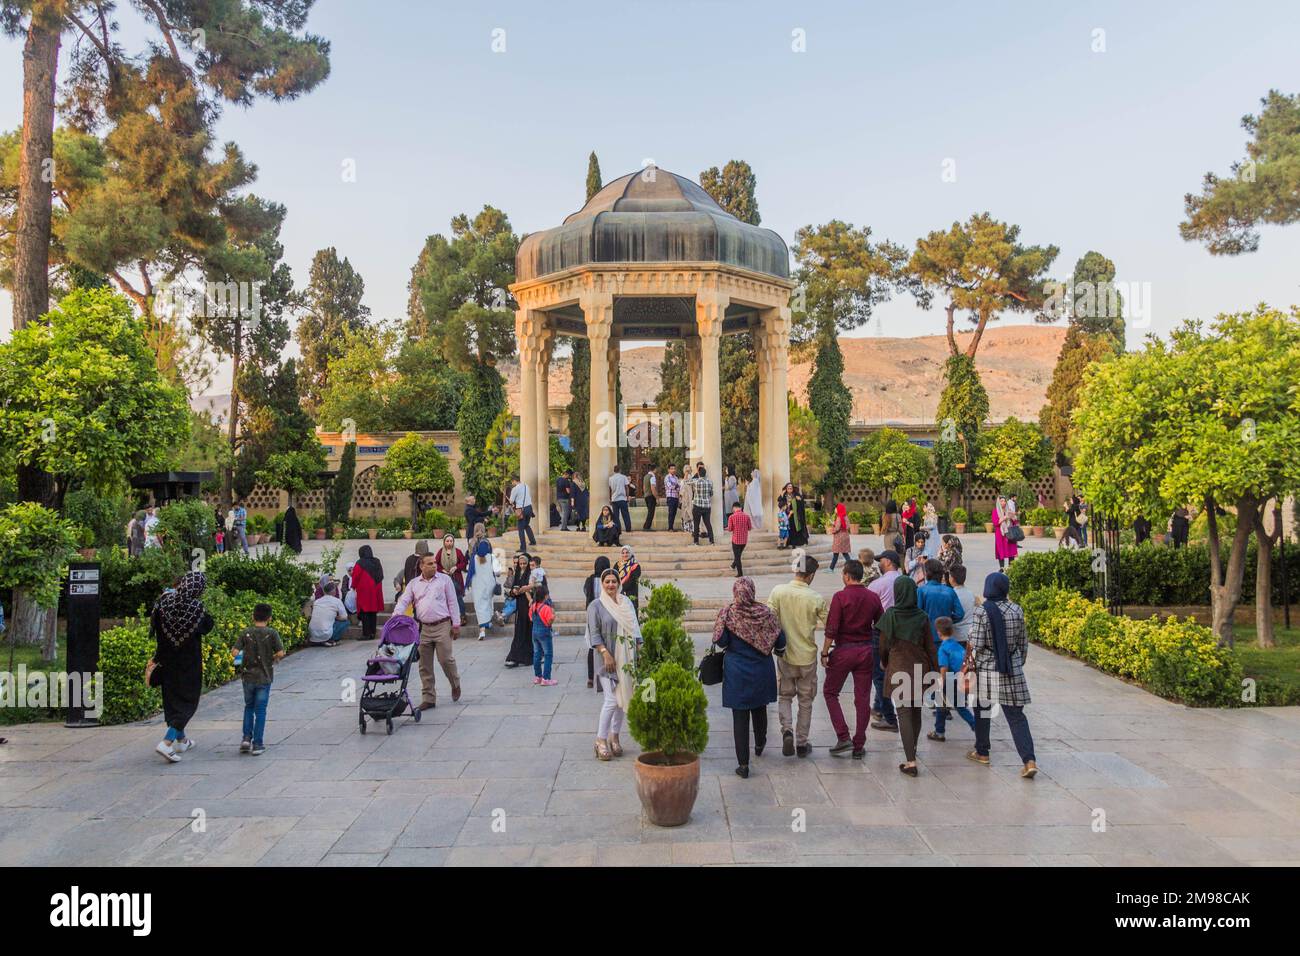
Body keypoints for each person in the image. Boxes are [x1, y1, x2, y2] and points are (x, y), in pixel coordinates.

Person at [966, 572, 1037, 778]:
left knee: (982, 709)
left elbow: (977, 644)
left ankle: (982, 751)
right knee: (1016, 717)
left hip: (988, 668)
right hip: (1011, 668)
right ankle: (1029, 760)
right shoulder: (1017, 610)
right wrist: (1017, 662)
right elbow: (1023, 642)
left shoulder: (982, 612)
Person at [714, 577, 786, 778]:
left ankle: (743, 765)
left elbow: (721, 641)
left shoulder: (728, 613)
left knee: (740, 716)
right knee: (760, 707)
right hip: (761, 669)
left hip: (736, 671)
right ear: (752, 591)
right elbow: (780, 640)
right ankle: (761, 743)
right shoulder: (766, 613)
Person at [766, 553, 827, 758]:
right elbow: (830, 624)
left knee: (784, 695)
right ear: (810, 575)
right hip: (807, 656)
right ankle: (801, 742)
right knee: (806, 700)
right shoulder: (815, 598)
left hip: (785, 655)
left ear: (795, 571)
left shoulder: (778, 591)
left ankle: (787, 730)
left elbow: (769, 617)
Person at [149, 571, 214, 762]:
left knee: (172, 699)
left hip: (167, 660)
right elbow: (208, 626)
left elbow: (155, 629)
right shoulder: (196, 608)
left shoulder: (163, 604)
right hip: (189, 662)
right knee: (187, 701)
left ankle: (182, 740)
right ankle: (167, 743)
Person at [821, 559, 884, 759]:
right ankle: (859, 744)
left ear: (847, 576)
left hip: (844, 650)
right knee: (862, 698)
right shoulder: (873, 597)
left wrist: (824, 652)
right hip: (866, 650)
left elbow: (832, 627)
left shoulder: (840, 597)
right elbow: (880, 626)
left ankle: (843, 735)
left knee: (830, 692)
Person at [878, 575, 940, 777]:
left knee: (903, 713)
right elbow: (930, 647)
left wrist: (884, 661)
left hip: (899, 667)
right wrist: (936, 670)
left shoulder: (890, 615)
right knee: (915, 711)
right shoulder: (922, 616)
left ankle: (910, 760)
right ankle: (911, 750)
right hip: (920, 668)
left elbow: (883, 645)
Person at [393, 552, 463, 707]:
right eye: (430, 563)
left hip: (443, 625)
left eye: (434, 563)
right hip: (424, 628)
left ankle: (455, 683)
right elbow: (404, 600)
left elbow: (453, 602)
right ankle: (429, 698)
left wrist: (456, 624)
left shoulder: (444, 580)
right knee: (424, 665)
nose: (434, 566)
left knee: (445, 659)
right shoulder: (414, 584)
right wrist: (396, 616)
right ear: (421, 566)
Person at [588, 567, 642, 761]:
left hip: (626, 658)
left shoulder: (625, 602)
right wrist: (605, 653)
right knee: (611, 700)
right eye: (607, 581)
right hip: (606, 659)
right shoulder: (595, 605)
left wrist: (639, 649)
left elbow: (635, 628)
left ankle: (614, 737)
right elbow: (594, 634)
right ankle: (600, 740)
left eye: (614, 581)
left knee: (622, 701)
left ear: (619, 583)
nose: (611, 584)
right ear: (602, 584)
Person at [234, 603, 285, 756]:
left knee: (248, 706)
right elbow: (281, 653)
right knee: (260, 710)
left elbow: (234, 652)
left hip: (247, 677)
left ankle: (245, 738)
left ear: (252, 616)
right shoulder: (272, 633)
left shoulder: (245, 632)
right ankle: (257, 744)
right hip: (264, 677)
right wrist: (273, 658)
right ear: (269, 618)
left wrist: (244, 657)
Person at [866, 550, 902, 732]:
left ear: (888, 562)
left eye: (881, 561)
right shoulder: (906, 581)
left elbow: (866, 608)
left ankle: (890, 717)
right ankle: (879, 707)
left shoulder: (878, 584)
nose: (879, 564)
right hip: (902, 632)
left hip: (881, 632)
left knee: (879, 675)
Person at [928, 615, 975, 741]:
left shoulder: (943, 648)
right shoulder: (957, 645)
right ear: (952, 631)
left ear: (938, 632)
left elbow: (943, 667)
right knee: (944, 705)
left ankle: (975, 726)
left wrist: (940, 682)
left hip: (950, 679)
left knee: (954, 706)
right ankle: (939, 730)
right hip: (959, 677)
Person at [917, 558, 964, 647]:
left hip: (928, 636)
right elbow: (960, 614)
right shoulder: (950, 591)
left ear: (926, 573)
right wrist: (947, 621)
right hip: (946, 635)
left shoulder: (921, 591)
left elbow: (918, 615)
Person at [466, 527, 498, 641]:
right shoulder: (491, 556)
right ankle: (487, 623)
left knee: (480, 606)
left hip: (477, 584)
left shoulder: (474, 557)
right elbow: (498, 571)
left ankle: (482, 630)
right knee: (488, 603)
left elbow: (468, 569)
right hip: (489, 583)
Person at [584, 556, 612, 689]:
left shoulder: (589, 580)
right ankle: (605, 675)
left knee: (592, 645)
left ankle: (591, 678)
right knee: (606, 645)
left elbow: (586, 593)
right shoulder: (607, 580)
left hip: (591, 615)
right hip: (606, 615)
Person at [504, 553, 534, 668]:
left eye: (524, 564)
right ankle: (515, 657)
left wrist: (527, 589)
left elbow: (537, 587)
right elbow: (512, 589)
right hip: (520, 606)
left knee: (528, 631)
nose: (522, 566)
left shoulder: (531, 574)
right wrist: (514, 592)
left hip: (529, 606)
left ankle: (528, 657)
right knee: (519, 632)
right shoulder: (517, 574)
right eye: (520, 564)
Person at [350, 545, 385, 642]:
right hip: (375, 590)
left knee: (365, 612)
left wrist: (353, 586)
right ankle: (373, 633)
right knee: (373, 612)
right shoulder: (377, 561)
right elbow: (381, 575)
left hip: (364, 591)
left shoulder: (359, 563)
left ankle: (366, 634)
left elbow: (355, 576)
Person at [529, 584, 558, 686]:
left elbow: (531, 618)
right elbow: (549, 621)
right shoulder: (546, 608)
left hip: (534, 632)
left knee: (537, 654)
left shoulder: (532, 607)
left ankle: (538, 676)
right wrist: (553, 616)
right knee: (548, 654)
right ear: (545, 596)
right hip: (544, 633)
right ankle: (546, 678)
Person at [436, 533, 467, 618]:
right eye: (447, 541)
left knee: (458, 597)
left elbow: (464, 563)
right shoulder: (440, 552)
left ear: (453, 542)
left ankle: (462, 616)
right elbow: (435, 564)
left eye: (451, 541)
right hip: (444, 579)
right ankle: (448, 616)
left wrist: (456, 567)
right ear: (444, 542)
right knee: (445, 598)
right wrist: (442, 570)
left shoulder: (458, 552)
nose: (449, 543)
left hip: (456, 579)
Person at [309, 582, 349, 646]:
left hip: (312, 633)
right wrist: (336, 617)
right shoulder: (337, 601)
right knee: (346, 622)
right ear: (334, 591)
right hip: (325, 633)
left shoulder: (317, 601)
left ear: (324, 591)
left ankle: (320, 641)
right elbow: (345, 617)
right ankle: (332, 639)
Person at [948, 564, 976, 644]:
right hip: (969, 634)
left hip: (956, 635)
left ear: (952, 579)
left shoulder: (951, 594)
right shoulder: (971, 594)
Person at [508, 477, 537, 552]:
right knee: (526, 525)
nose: (512, 483)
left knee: (520, 529)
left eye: (512, 482)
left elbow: (511, 501)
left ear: (514, 481)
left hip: (521, 510)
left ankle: (523, 548)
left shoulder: (515, 489)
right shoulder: (526, 486)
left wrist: (511, 501)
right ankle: (533, 541)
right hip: (529, 508)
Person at [689, 464, 715, 545]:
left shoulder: (695, 481)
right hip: (707, 506)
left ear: (699, 474)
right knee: (708, 523)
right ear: (705, 473)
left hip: (697, 506)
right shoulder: (710, 482)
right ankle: (711, 541)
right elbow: (711, 494)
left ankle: (696, 542)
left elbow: (686, 482)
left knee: (696, 524)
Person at [501, 552, 529, 624]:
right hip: (510, 596)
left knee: (514, 603)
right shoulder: (512, 573)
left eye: (517, 563)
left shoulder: (526, 573)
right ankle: (503, 617)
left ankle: (502, 616)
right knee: (508, 602)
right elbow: (506, 587)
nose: (516, 564)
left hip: (521, 598)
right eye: (514, 563)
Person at [778, 483, 808, 549]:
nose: (790, 488)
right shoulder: (784, 495)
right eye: (788, 487)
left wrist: (799, 500)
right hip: (786, 515)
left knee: (794, 529)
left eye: (791, 487)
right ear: (786, 488)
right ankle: (786, 543)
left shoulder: (796, 494)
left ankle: (794, 543)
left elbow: (801, 502)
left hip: (795, 516)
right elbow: (780, 504)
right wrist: (782, 495)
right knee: (787, 530)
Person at [727, 501, 752, 577]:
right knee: (738, 556)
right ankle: (733, 565)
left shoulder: (731, 517)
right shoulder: (747, 516)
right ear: (740, 508)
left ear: (734, 508)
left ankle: (740, 573)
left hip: (735, 540)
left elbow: (730, 529)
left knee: (737, 557)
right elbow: (750, 528)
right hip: (744, 540)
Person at [993, 495, 1018, 569]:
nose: (1003, 503)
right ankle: (1002, 568)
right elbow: (996, 523)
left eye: (1004, 501)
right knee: (1001, 550)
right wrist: (1005, 517)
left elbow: (1015, 522)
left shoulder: (1009, 510)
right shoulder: (995, 511)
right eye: (1001, 501)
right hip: (1000, 534)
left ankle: (1011, 568)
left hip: (1010, 533)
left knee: (1011, 550)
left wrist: (1013, 517)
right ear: (998, 502)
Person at [614, 545, 641, 609]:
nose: (625, 555)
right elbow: (614, 576)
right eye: (623, 553)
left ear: (630, 553)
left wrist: (623, 587)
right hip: (619, 592)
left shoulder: (635, 565)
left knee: (631, 610)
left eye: (627, 552)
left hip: (631, 592)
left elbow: (634, 579)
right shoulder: (617, 564)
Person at [608, 464, 633, 532]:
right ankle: (628, 529)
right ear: (620, 470)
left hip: (614, 499)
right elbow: (627, 488)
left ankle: (617, 530)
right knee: (625, 515)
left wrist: (610, 498)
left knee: (616, 516)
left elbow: (610, 489)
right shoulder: (623, 477)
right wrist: (627, 497)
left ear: (614, 470)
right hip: (622, 499)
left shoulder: (611, 478)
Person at [829, 502, 851, 570]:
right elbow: (847, 526)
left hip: (839, 538)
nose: (835, 509)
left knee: (836, 553)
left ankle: (831, 569)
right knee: (845, 553)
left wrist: (832, 530)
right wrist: (834, 523)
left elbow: (837, 528)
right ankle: (851, 566)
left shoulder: (839, 517)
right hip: (845, 536)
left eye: (836, 508)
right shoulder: (845, 516)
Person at [664, 464, 682, 531]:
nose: (673, 470)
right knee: (671, 512)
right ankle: (670, 528)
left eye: (674, 468)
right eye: (671, 468)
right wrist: (676, 486)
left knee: (674, 512)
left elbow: (678, 488)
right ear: (668, 470)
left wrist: (676, 486)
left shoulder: (676, 478)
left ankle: (672, 527)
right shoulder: (667, 477)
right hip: (670, 497)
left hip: (676, 497)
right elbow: (670, 486)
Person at [641, 466, 658, 530]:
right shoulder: (652, 477)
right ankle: (646, 527)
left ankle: (646, 526)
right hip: (651, 496)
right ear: (655, 469)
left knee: (649, 512)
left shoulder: (645, 476)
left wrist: (645, 494)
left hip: (646, 496)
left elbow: (644, 487)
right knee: (651, 512)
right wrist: (656, 497)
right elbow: (653, 488)